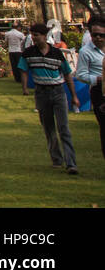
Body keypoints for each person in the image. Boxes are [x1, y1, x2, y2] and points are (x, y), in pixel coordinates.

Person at [18, 23, 79, 175]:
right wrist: (25, 87)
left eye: (36, 35)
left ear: (45, 36)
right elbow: (23, 70)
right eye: (32, 35)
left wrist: (74, 96)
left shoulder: (56, 53)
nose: (33, 38)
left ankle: (71, 163)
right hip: (41, 93)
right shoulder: (28, 53)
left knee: (63, 128)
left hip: (58, 92)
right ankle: (57, 159)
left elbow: (67, 75)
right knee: (49, 127)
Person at [76, 17, 104, 163]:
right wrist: (99, 78)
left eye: (101, 35)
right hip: (99, 91)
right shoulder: (85, 51)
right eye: (95, 35)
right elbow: (80, 75)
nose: (98, 38)